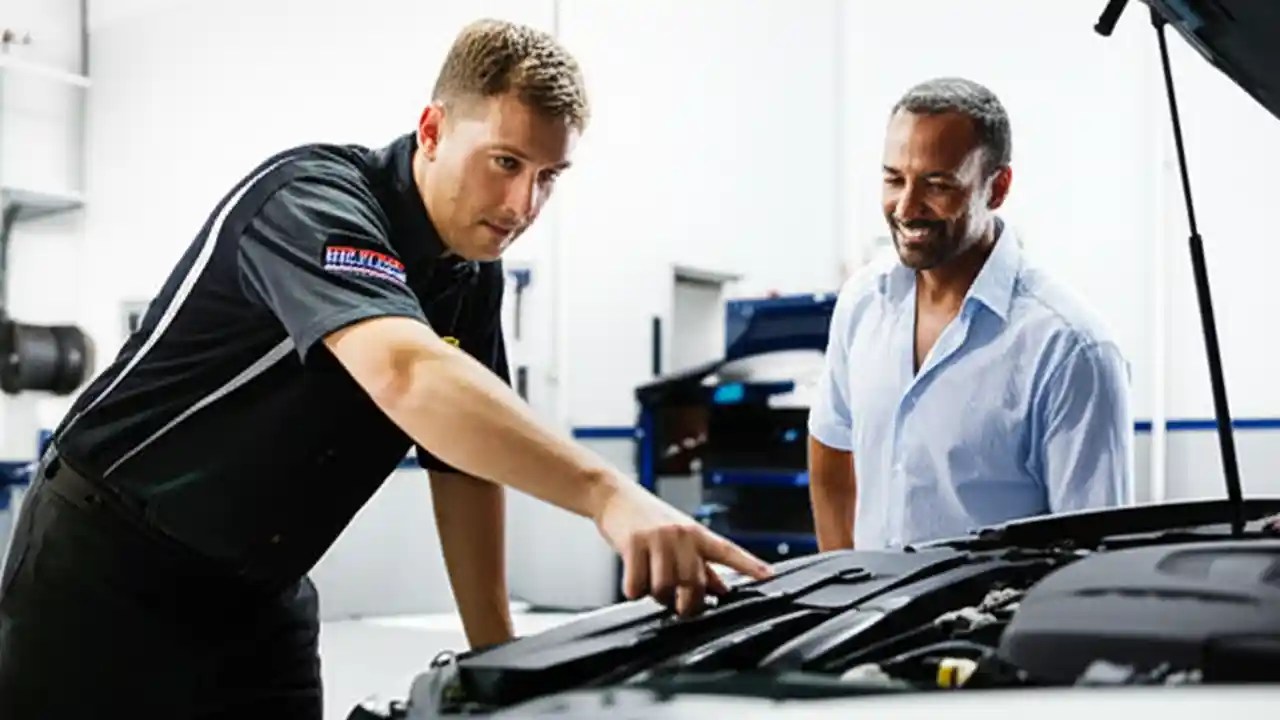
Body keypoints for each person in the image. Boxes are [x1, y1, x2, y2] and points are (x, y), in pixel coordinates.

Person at [0, 18, 771, 720]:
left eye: (547, 176)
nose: (521, 203)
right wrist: (608, 494)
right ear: (432, 129)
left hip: (259, 597)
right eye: (504, 162)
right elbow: (408, 374)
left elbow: (460, 464)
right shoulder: (310, 199)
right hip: (105, 571)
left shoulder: (472, 275)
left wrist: (499, 662)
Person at [807, 76, 1134, 552]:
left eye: (937, 184)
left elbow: (1095, 555)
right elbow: (831, 453)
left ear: (997, 187)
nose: (906, 207)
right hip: (873, 620)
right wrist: (839, 588)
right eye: (894, 179)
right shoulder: (862, 303)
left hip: (997, 625)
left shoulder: (1069, 349)